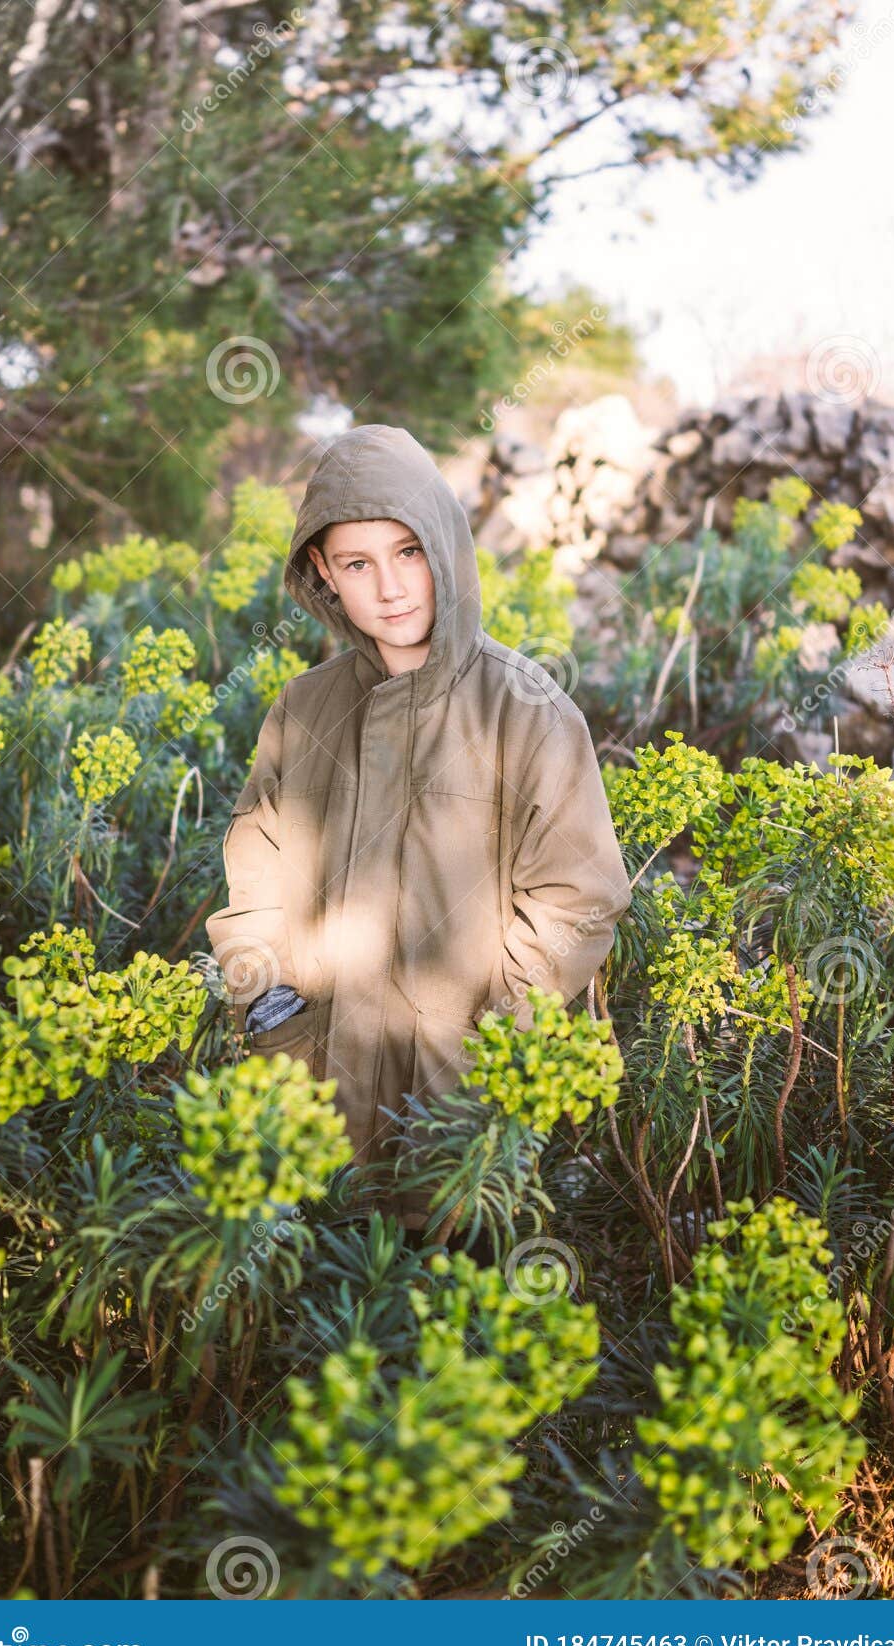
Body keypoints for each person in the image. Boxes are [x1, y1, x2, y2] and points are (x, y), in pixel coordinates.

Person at [204, 423, 631, 1228]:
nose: (391, 588)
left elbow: (578, 899)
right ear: (322, 572)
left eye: (407, 552)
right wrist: (267, 1004)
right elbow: (253, 876)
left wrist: (493, 1043)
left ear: (444, 545)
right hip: (311, 1100)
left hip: (457, 1112)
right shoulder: (303, 708)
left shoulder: (527, 709)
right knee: (325, 1320)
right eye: (358, 564)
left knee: (453, 1322)